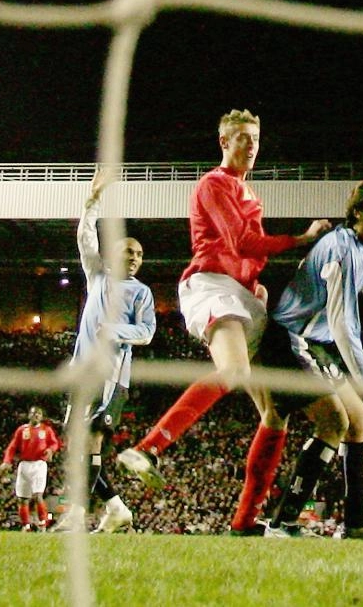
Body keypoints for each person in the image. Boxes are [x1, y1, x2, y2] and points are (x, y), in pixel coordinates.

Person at [117, 109, 330, 489]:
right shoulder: (213, 184)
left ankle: (246, 520)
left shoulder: (246, 190)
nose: (251, 146)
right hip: (212, 284)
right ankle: (147, 447)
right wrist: (301, 239)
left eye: (256, 140)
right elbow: (241, 243)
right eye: (243, 138)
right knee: (235, 372)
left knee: (273, 411)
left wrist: (255, 283)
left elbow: (250, 253)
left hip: (242, 294)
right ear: (224, 142)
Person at [230, 179, 363, 539]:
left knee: (359, 420)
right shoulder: (342, 249)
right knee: (334, 422)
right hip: (290, 340)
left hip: (313, 344)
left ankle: (355, 523)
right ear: (357, 211)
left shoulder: (359, 247)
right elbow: (342, 324)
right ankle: (283, 522)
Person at [57, 174, 157, 533]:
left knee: (92, 438)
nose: (134, 258)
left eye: (139, 254)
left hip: (111, 375)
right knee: (76, 440)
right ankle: (115, 508)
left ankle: (79, 512)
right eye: (128, 251)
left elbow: (147, 332)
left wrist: (112, 330)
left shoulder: (140, 292)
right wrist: (92, 201)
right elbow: (85, 237)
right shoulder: (98, 276)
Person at [0, 406, 59, 531]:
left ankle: (43, 523)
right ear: (29, 415)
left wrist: (50, 450)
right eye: (33, 413)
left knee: (37, 495)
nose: (36, 415)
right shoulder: (22, 430)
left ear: (41, 416)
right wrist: (6, 461)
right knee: (22, 499)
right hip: (24, 465)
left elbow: (55, 443)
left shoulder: (46, 430)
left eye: (38, 413)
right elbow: (12, 447)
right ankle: (26, 526)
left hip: (39, 464)